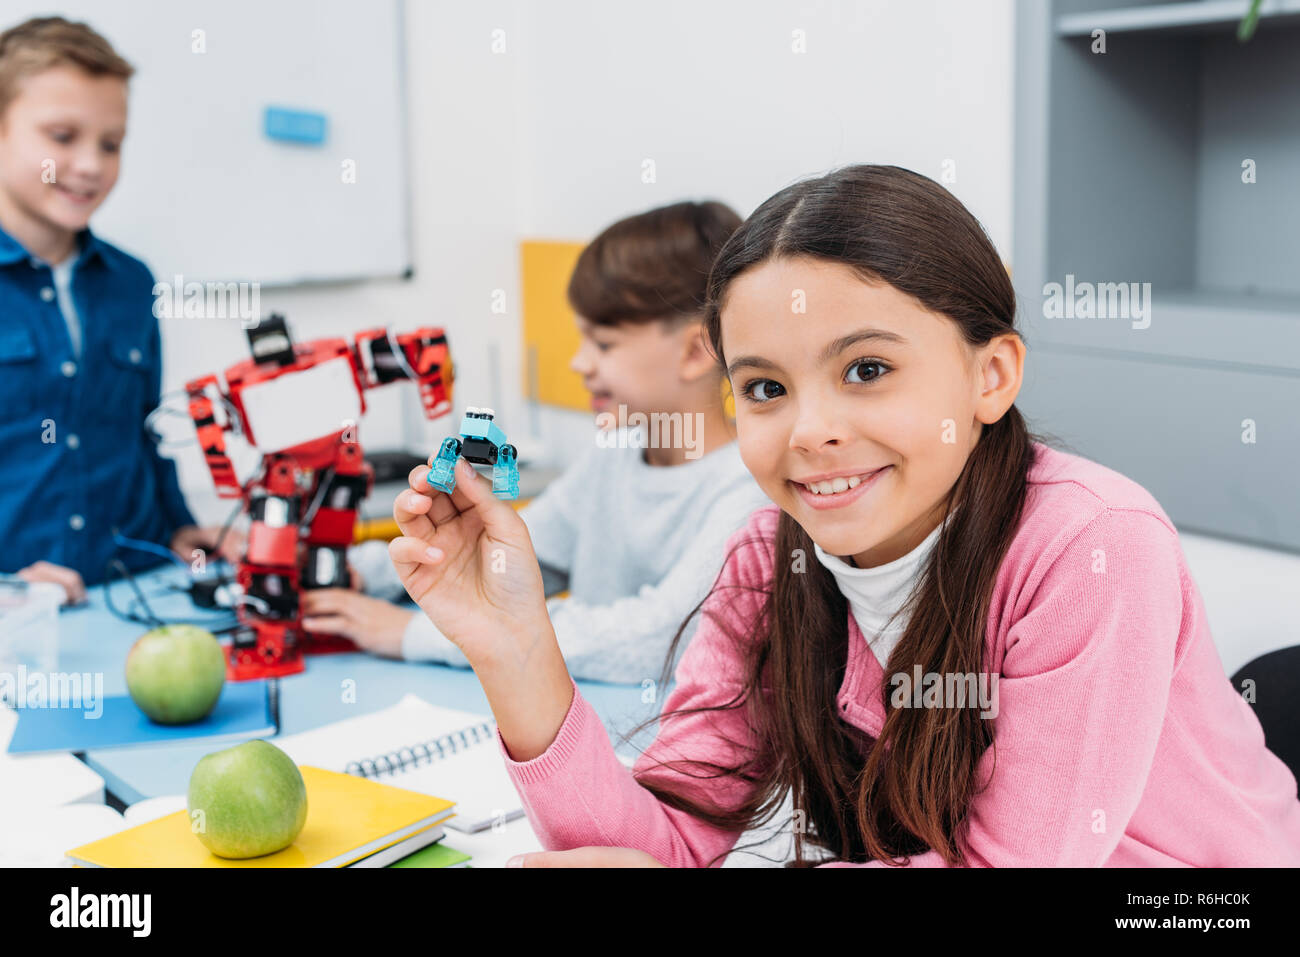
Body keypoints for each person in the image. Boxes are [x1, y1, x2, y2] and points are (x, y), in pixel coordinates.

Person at [384, 164, 1300, 867]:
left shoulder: (1094, 547)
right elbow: (665, 842)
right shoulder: (767, 559)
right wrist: (515, 649)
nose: (812, 430)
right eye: (768, 387)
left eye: (866, 368)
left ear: (993, 375)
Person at [302, 200, 770, 684]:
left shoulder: (749, 492)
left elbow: (655, 642)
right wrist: (353, 570)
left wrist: (413, 635)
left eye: (603, 344)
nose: (579, 364)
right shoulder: (614, 456)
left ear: (696, 350)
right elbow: (515, 555)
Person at [0, 16, 234, 602]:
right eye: (61, 136)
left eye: (111, 143)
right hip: (20, 626)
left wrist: (182, 526)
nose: (90, 164)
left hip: (139, 596)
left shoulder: (131, 283)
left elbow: (143, 430)